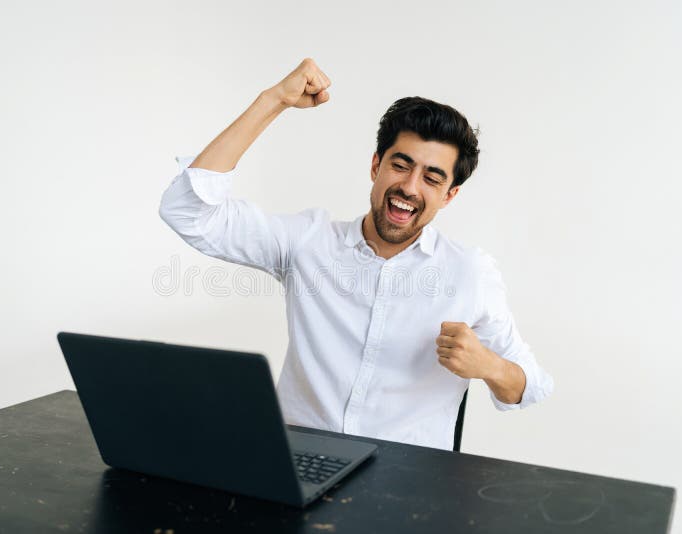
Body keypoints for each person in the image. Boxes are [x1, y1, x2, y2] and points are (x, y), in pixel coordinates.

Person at [159, 58, 553, 450]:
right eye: (401, 165)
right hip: (299, 461)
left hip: (409, 485)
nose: (410, 187)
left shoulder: (470, 273)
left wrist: (489, 366)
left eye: (432, 178)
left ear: (449, 195)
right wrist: (273, 100)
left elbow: (532, 385)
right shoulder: (308, 243)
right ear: (375, 165)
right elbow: (188, 212)